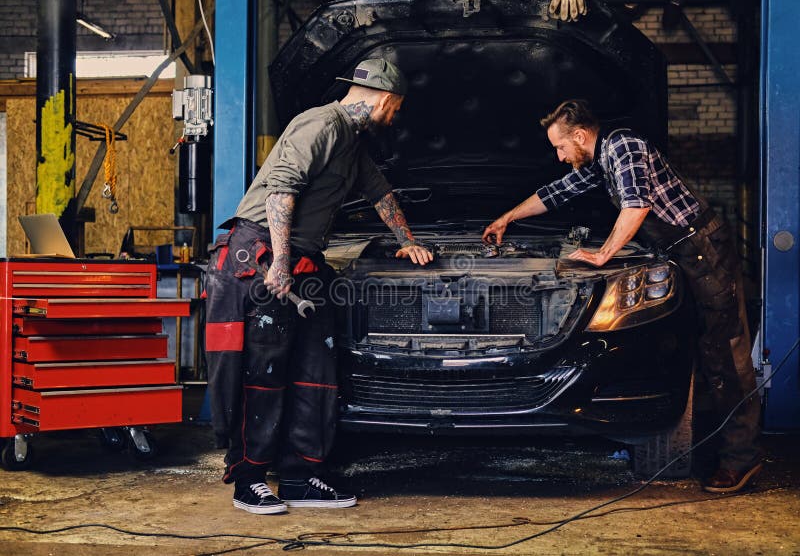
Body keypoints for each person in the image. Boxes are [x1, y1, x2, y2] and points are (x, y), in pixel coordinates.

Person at [482, 99, 762, 493]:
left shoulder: (623, 146)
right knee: (696, 348)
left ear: (579, 136)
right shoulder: (598, 159)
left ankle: (740, 461)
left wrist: (602, 255)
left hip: (702, 252)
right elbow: (556, 192)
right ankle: (714, 448)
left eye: (561, 147)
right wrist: (506, 218)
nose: (561, 157)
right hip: (680, 253)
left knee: (725, 354)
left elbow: (636, 206)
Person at [204, 58, 433, 514]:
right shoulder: (320, 123)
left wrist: (408, 242)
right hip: (264, 257)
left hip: (303, 265)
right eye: (397, 109)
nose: (396, 118)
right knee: (262, 373)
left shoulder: (352, 142)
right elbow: (281, 190)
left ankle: (300, 474)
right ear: (387, 99)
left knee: (314, 371)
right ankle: (248, 478)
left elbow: (380, 193)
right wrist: (282, 264)